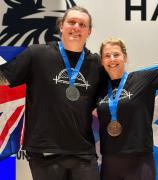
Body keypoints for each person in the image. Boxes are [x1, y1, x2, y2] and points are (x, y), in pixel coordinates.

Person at [0, 6, 103, 180]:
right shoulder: (37, 54)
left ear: (89, 32)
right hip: (45, 151)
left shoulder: (97, 64)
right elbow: (5, 77)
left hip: (83, 153)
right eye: (71, 22)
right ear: (61, 26)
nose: (76, 27)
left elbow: (110, 98)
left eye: (82, 24)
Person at [96, 37, 158, 180]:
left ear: (125, 57)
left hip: (139, 161)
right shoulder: (99, 89)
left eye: (116, 54)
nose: (112, 59)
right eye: (107, 56)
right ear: (102, 61)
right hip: (110, 162)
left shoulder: (142, 79)